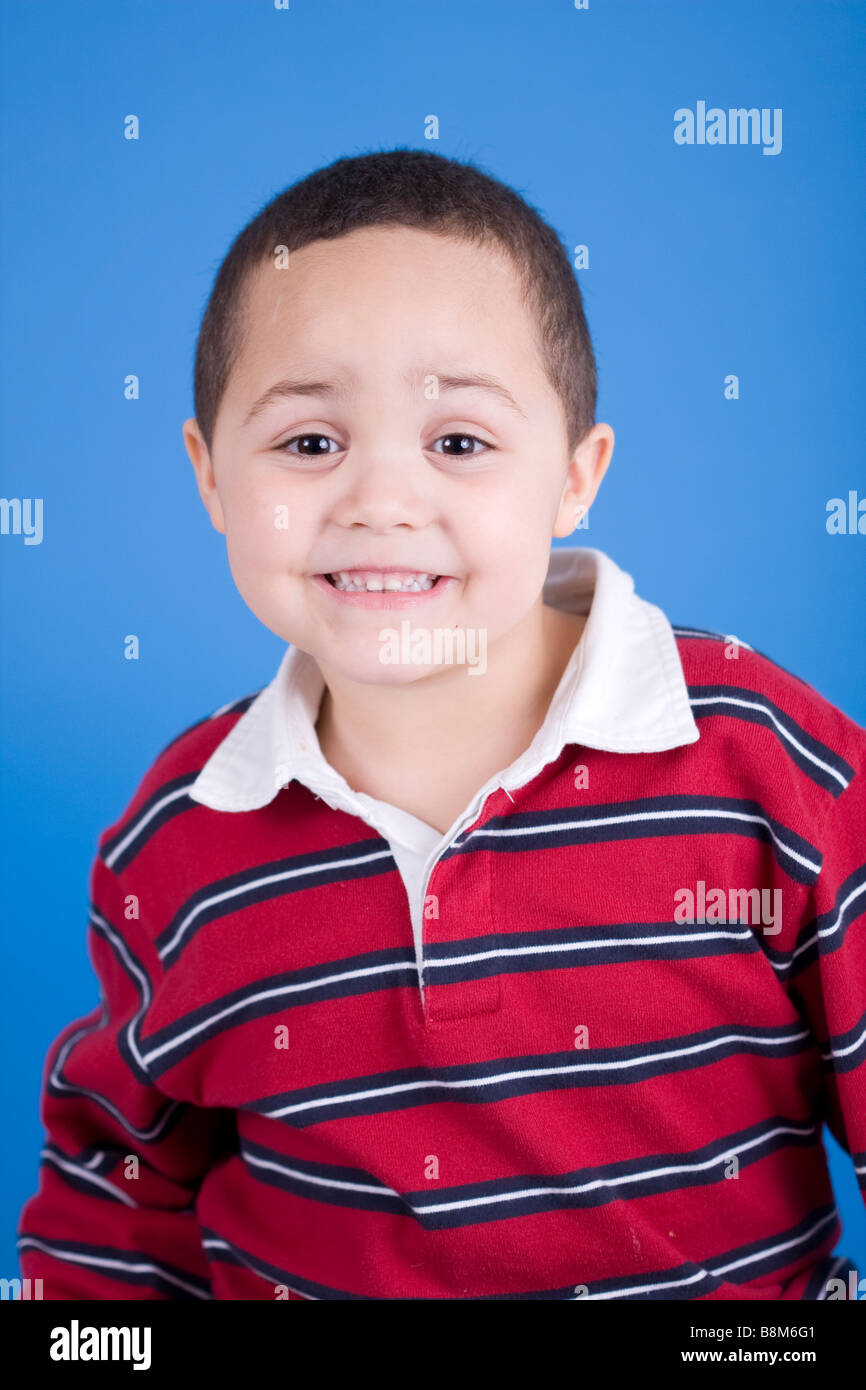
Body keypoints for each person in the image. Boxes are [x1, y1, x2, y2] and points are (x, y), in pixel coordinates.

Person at [17, 148, 866, 1300]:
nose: (379, 500)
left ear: (574, 474)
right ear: (210, 476)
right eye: (310, 443)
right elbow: (118, 1189)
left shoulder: (765, 762)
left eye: (457, 442)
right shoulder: (178, 837)